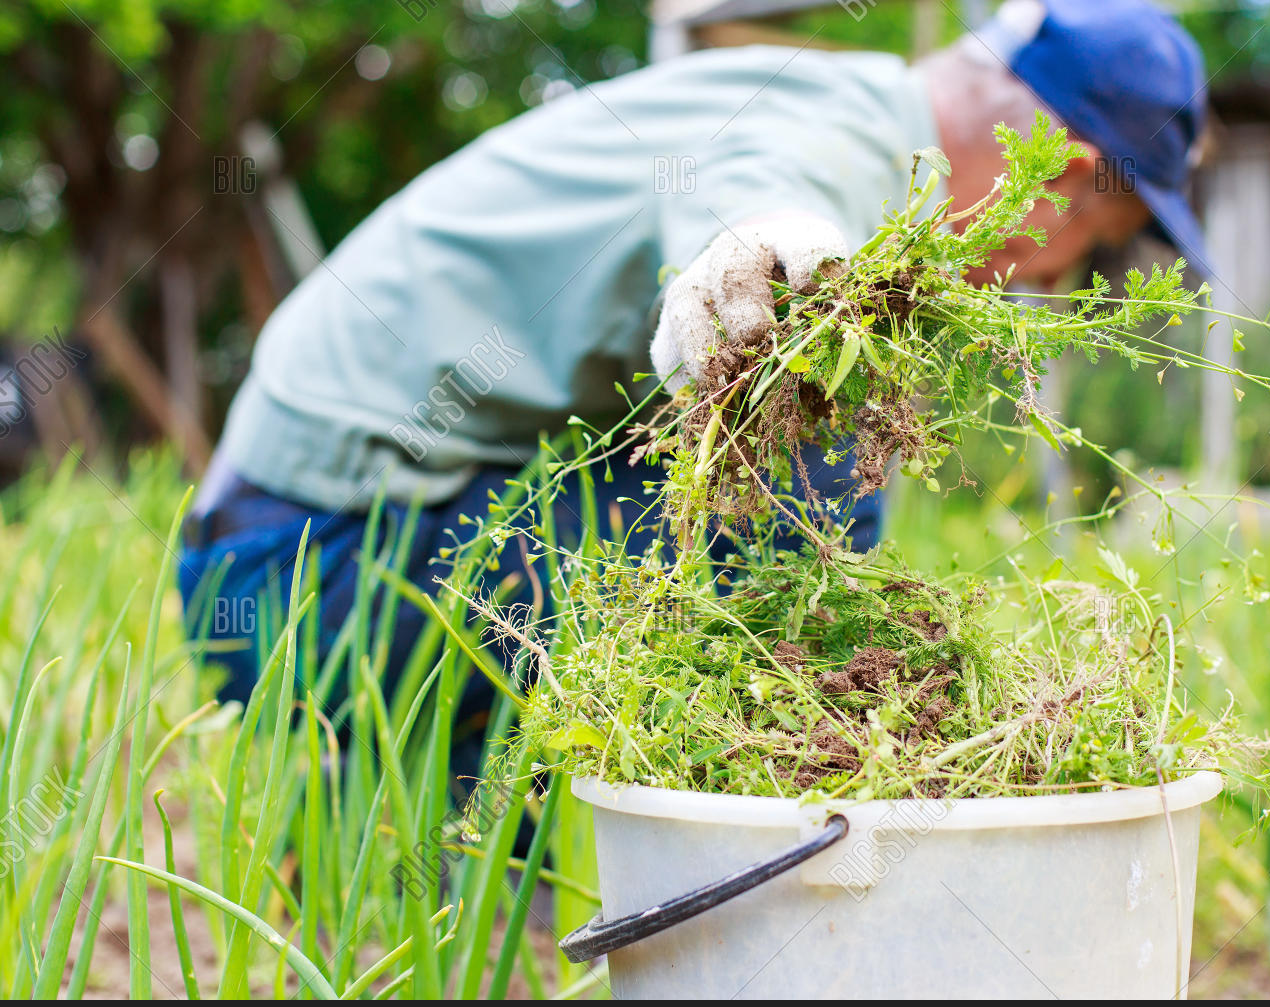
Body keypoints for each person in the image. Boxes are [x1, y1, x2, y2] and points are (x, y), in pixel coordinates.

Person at [178, 0, 1211, 784]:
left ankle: (472, 797)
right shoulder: (846, 149)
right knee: (813, 495)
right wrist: (776, 265)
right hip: (293, 585)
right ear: (1057, 175)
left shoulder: (836, 100)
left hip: (319, 542)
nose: (1045, 279)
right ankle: (588, 807)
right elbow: (756, 216)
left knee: (779, 493)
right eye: (1088, 247)